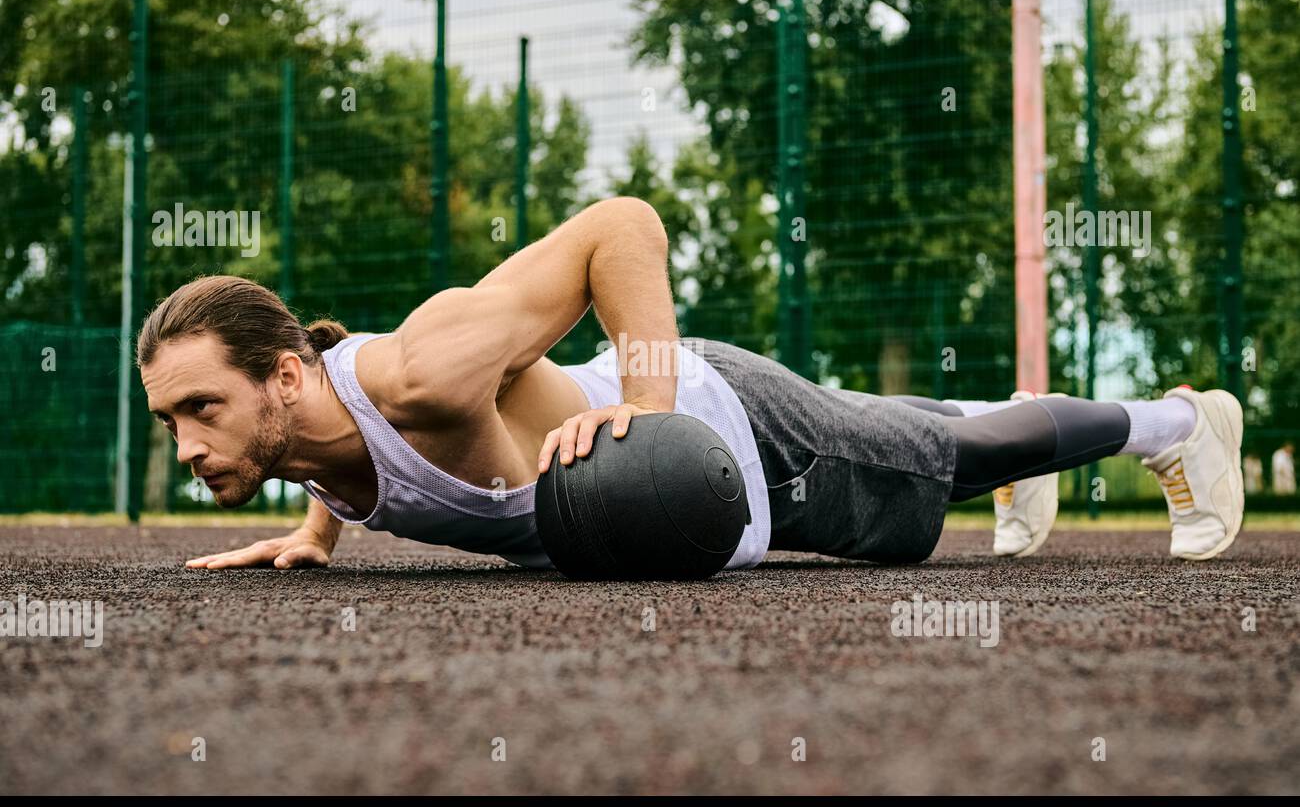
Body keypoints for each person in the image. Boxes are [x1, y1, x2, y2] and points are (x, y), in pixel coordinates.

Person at [136, 198, 1245, 573]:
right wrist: (317, 533)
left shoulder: (422, 367)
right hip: (706, 424)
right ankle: (1048, 461)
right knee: (900, 429)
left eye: (202, 407)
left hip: (730, 431)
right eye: (172, 417)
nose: (188, 441)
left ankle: (1181, 422)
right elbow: (340, 444)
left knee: (936, 464)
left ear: (283, 373)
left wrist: (650, 426)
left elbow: (622, 226)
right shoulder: (306, 418)